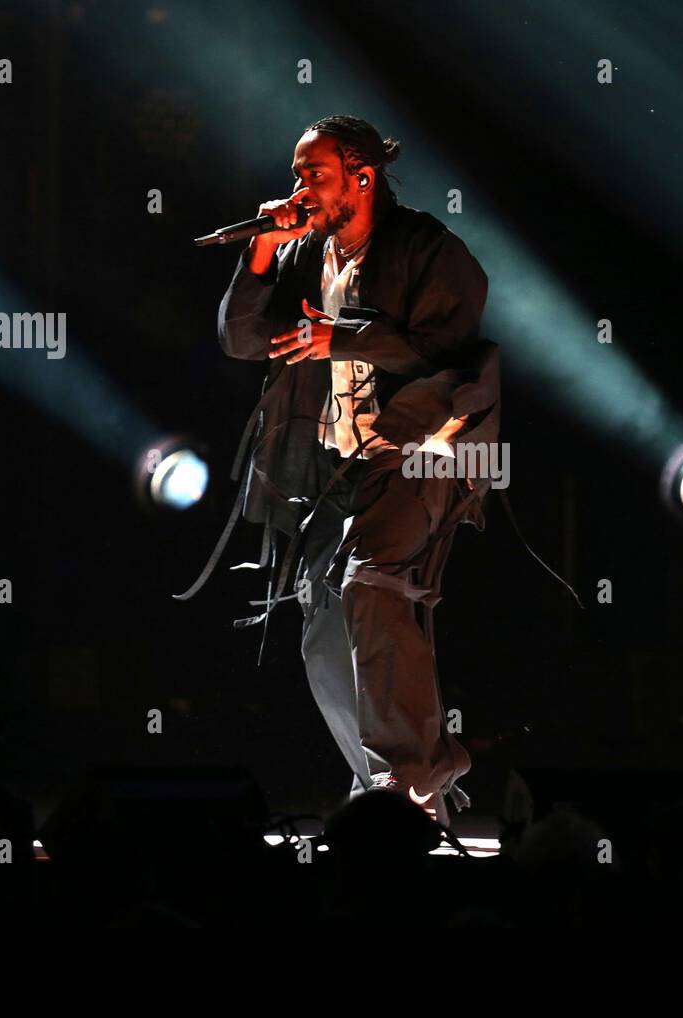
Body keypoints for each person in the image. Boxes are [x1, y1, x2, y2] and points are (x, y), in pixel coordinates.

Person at [178, 115, 501, 827]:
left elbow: (448, 353)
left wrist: (346, 337)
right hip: (336, 467)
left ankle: (414, 776)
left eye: (313, 173)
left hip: (419, 454)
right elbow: (240, 339)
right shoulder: (306, 251)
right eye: (297, 173)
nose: (300, 187)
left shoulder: (425, 247)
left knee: (374, 584)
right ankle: (391, 796)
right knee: (322, 633)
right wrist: (262, 250)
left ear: (362, 173)